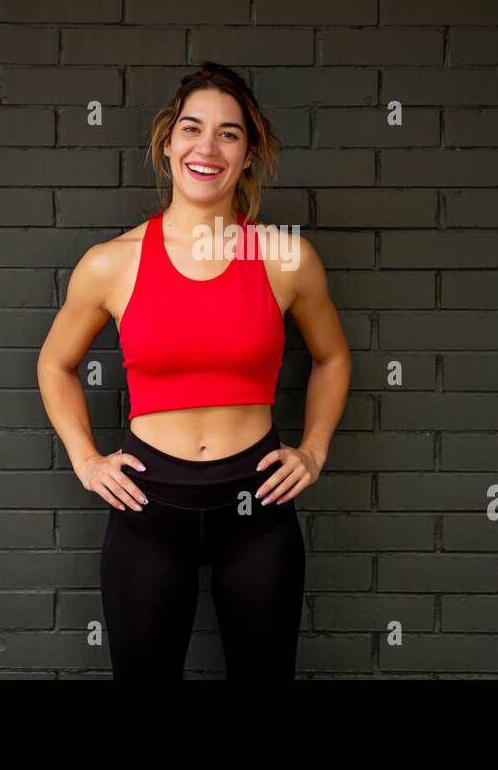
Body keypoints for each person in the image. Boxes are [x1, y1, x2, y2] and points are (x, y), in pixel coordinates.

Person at [36, 62, 351, 679]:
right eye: (192, 128)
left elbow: (333, 357)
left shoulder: (285, 258)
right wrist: (85, 459)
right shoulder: (112, 263)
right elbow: (54, 362)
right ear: (168, 143)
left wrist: (313, 451)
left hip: (257, 508)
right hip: (148, 510)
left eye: (229, 133)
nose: (207, 147)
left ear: (249, 153)